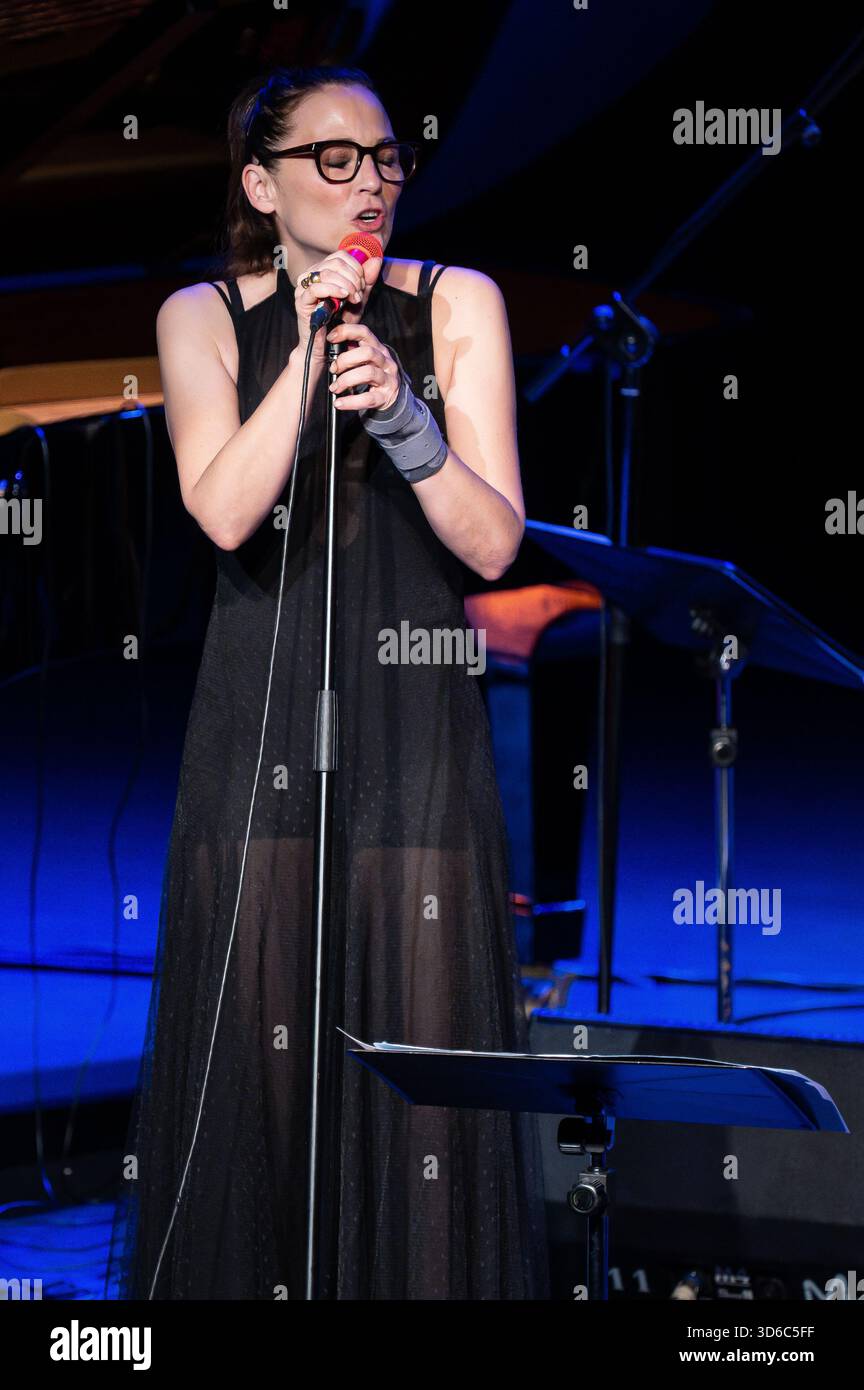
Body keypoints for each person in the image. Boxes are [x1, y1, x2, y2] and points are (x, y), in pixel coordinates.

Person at [106, 63, 549, 1300]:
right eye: (334, 159)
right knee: (259, 1072)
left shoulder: (459, 299)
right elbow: (226, 509)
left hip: (412, 721)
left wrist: (409, 417)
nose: (371, 184)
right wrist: (311, 344)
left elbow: (494, 542)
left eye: (388, 157)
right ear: (264, 182)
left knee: (417, 1082)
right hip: (259, 717)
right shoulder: (200, 316)